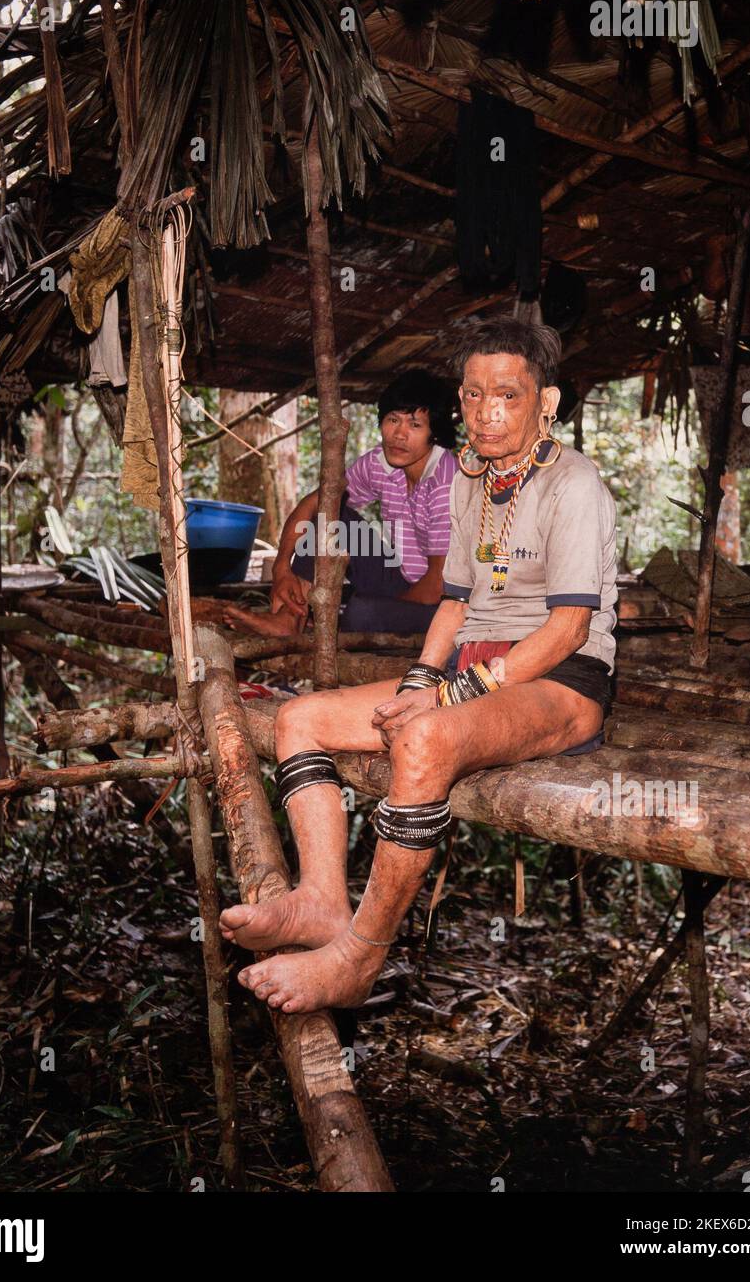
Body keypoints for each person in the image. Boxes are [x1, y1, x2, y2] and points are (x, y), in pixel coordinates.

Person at [221, 317, 618, 1013]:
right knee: (299, 717)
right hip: (469, 669)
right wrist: (421, 681)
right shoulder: (469, 478)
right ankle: (319, 899)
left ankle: (359, 957)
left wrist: (452, 696)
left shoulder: (574, 483)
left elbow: (568, 627)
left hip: (561, 680)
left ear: (545, 403)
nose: (486, 412)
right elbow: (453, 606)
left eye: (508, 395)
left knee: (425, 739)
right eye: (472, 395)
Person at [222, 369, 458, 637]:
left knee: (360, 612)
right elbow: (314, 504)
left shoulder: (445, 482)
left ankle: (359, 618)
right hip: (401, 580)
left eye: (415, 425)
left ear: (435, 433)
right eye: (393, 420)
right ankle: (289, 619)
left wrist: (385, 610)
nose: (399, 434)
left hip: (444, 604)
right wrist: (281, 567)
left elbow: (438, 584)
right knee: (330, 513)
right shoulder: (381, 463)